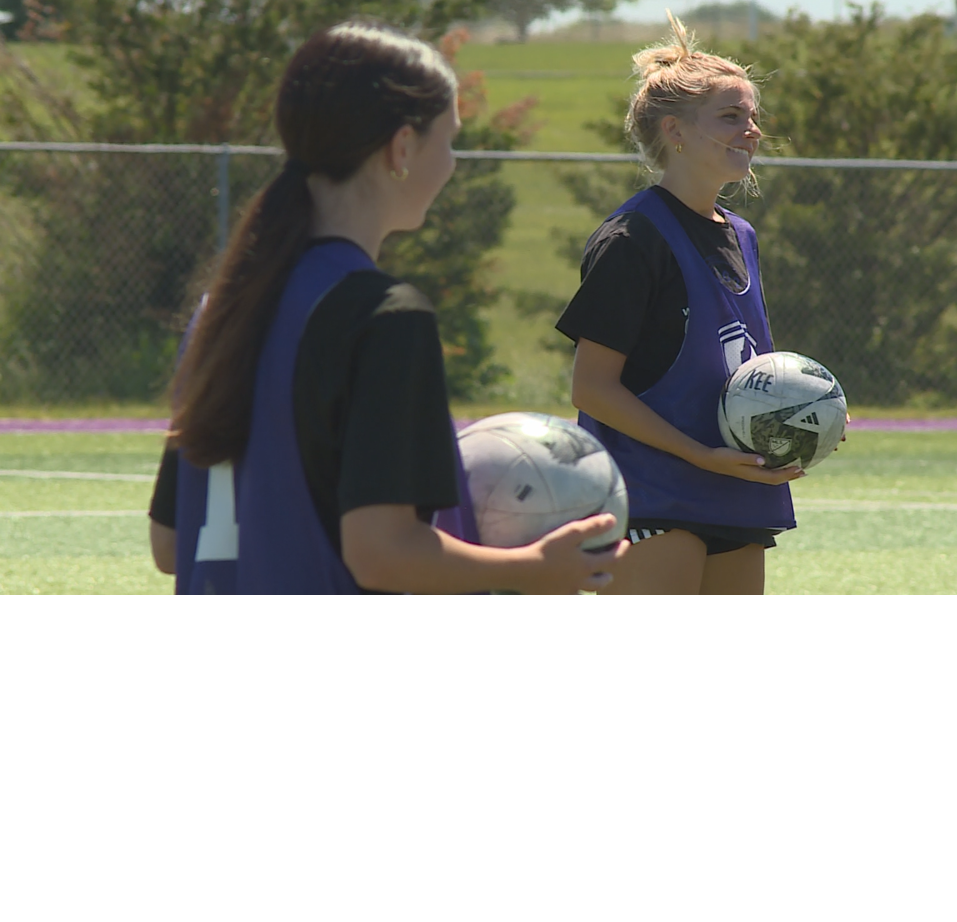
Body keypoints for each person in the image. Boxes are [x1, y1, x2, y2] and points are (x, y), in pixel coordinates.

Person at [146, 20, 626, 595]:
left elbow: (171, 545)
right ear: (402, 147)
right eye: (449, 141)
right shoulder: (384, 316)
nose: (451, 163)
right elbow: (382, 554)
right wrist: (534, 569)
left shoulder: (217, 312)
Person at [559, 13, 829, 595]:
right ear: (675, 131)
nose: (751, 130)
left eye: (753, 117)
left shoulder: (742, 235)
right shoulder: (633, 239)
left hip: (735, 490)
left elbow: (746, 370)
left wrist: (808, 412)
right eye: (731, 117)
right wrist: (698, 454)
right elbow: (592, 389)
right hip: (653, 489)